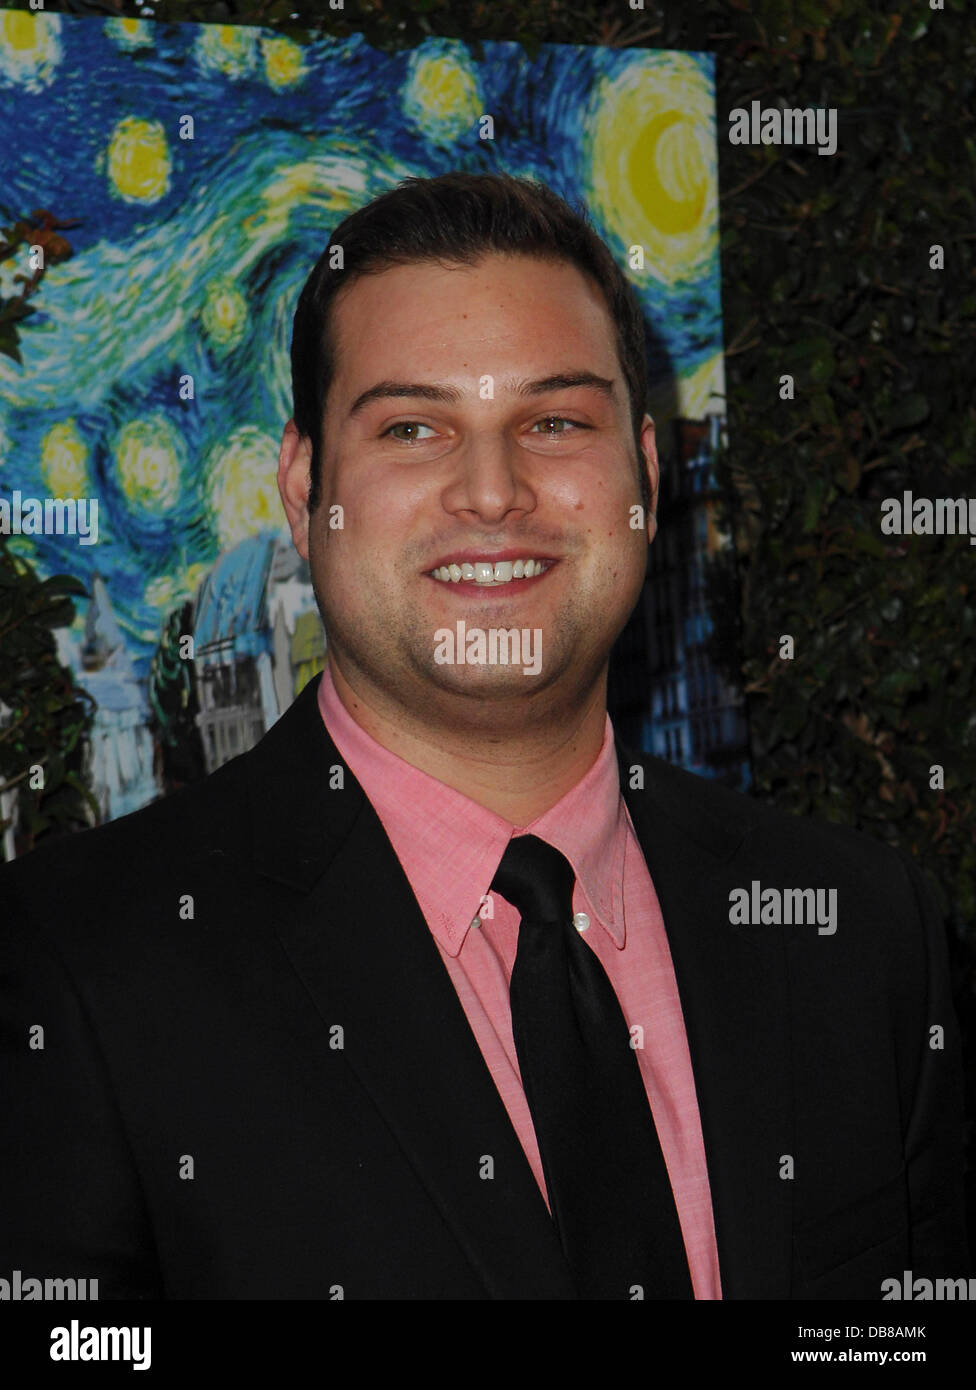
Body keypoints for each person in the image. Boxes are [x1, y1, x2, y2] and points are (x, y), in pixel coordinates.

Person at [0, 173, 968, 1300]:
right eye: (413, 427)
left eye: (554, 421)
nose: (494, 491)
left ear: (646, 476)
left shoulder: (861, 933)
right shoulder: (74, 969)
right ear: (305, 485)